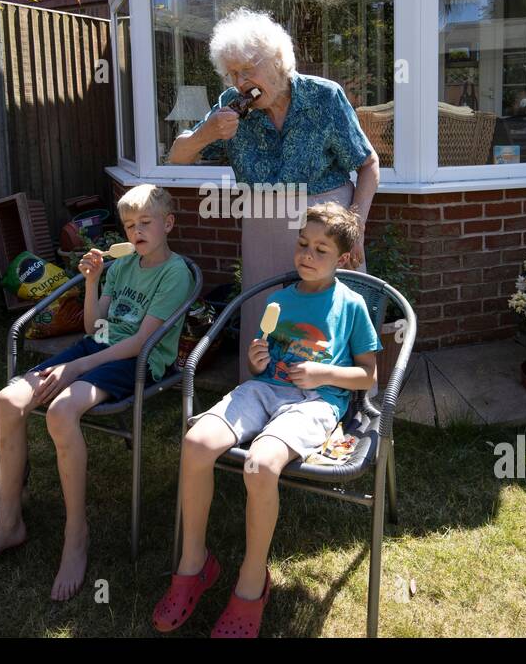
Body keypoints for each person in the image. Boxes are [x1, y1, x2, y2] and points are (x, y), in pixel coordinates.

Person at [152, 203, 379, 637]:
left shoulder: (350, 305)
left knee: (260, 464)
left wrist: (324, 373)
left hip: (315, 402)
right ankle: (194, 562)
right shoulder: (280, 299)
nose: (307, 256)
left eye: (321, 250)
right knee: (197, 443)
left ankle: (252, 582)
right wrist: (258, 358)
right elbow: (263, 358)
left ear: (344, 259)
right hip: (264, 390)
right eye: (303, 245)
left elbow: (369, 374)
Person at [0, 185, 193, 598]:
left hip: (136, 361)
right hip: (97, 348)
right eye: (129, 225)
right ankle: (9, 522)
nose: (136, 232)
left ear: (168, 223)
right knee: (9, 399)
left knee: (61, 411)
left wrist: (76, 367)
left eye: (145, 222)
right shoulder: (121, 268)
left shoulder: (174, 272)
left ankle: (76, 534)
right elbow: (92, 328)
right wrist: (92, 281)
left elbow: (140, 343)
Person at [167, 8, 380, 382]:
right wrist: (207, 133)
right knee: (267, 316)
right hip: (264, 226)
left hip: (325, 227)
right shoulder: (230, 108)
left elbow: (368, 163)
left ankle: (338, 403)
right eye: (232, 73)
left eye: (248, 70)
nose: (240, 81)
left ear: (279, 60)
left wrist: (356, 224)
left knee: (329, 316)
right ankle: (262, 396)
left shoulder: (324, 98)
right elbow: (176, 156)